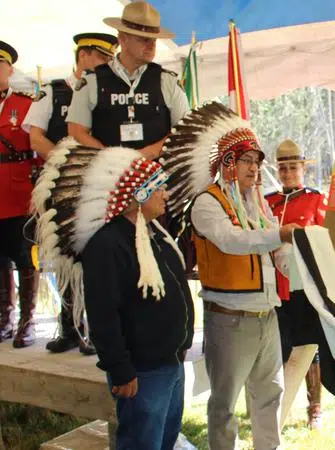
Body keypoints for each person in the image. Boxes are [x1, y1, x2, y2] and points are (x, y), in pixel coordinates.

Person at [31, 140, 194, 450]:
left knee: (165, 440)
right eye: (159, 188)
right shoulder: (107, 244)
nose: (166, 194)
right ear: (138, 194)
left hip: (170, 364)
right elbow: (103, 315)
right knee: (141, 442)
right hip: (141, 371)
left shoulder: (155, 234)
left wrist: (183, 342)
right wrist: (120, 369)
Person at [160, 102, 300, 450]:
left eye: (256, 161)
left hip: (267, 315)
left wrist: (306, 270)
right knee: (224, 404)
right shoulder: (207, 203)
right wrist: (279, 234)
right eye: (246, 160)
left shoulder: (257, 202)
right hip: (230, 318)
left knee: (270, 395)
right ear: (227, 163)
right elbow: (232, 241)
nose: (254, 168)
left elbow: (277, 252)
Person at [22, 32, 118, 355]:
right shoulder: (53, 92)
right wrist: (64, 165)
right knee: (63, 257)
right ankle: (70, 329)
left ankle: (95, 330)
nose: (106, 63)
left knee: (96, 260)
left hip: (96, 190)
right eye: (102, 57)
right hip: (60, 188)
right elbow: (35, 138)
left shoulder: (106, 92)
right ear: (83, 55)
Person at [66, 1, 188, 160]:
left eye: (154, 40)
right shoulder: (91, 82)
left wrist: (149, 153)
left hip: (158, 172)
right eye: (144, 39)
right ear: (122, 39)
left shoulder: (168, 81)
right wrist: (112, 160)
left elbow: (185, 130)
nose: (151, 46)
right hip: (106, 172)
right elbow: (76, 132)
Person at [265, 139, 328, 429]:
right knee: (279, 346)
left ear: (303, 169)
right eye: (283, 168)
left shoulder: (315, 199)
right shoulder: (268, 202)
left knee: (309, 346)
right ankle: (280, 405)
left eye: (293, 167)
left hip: (305, 286)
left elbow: (324, 240)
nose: (288, 173)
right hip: (275, 286)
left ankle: (315, 408)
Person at [0, 40, 40, 348]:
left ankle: (28, 321)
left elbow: (38, 149)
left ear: (10, 70)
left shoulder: (26, 104)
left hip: (20, 194)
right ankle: (5, 317)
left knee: (26, 259)